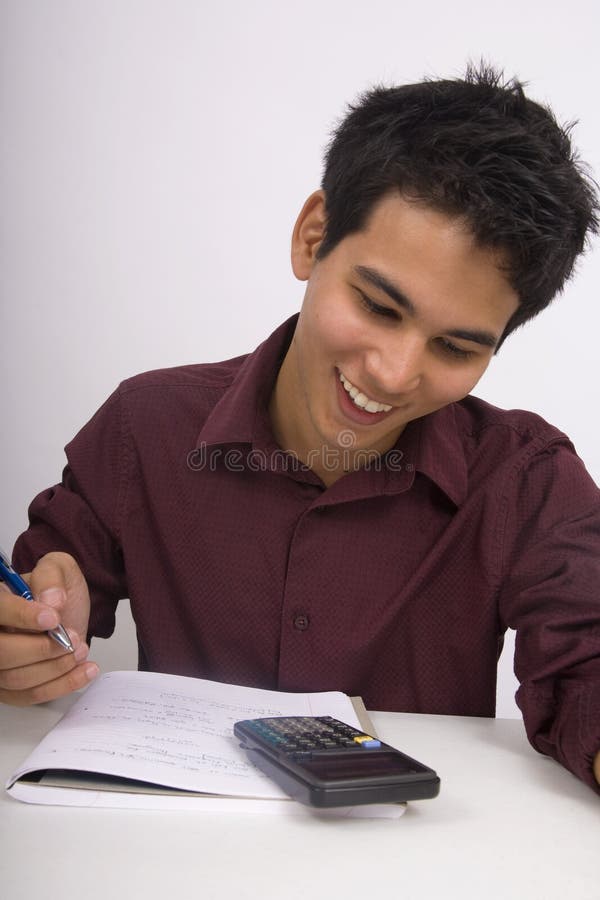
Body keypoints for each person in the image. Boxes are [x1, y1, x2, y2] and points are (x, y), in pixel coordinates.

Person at [2, 65, 600, 793]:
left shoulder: (526, 478)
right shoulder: (145, 428)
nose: (394, 372)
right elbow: (45, 585)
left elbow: (586, 661)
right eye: (380, 306)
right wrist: (32, 627)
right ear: (313, 238)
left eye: (456, 347)